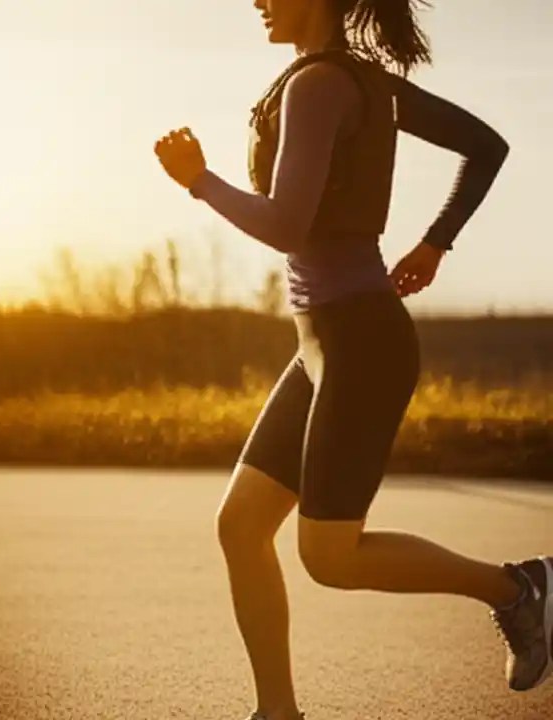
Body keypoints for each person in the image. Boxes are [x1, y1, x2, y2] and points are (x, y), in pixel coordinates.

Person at [153, 1, 549, 719]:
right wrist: (436, 242)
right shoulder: (359, 82)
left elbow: (286, 225)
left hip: (359, 342)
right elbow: (486, 146)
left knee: (330, 557)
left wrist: (199, 179)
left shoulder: (318, 86)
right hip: (325, 344)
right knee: (242, 526)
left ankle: (520, 590)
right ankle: (278, 714)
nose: (258, 0)